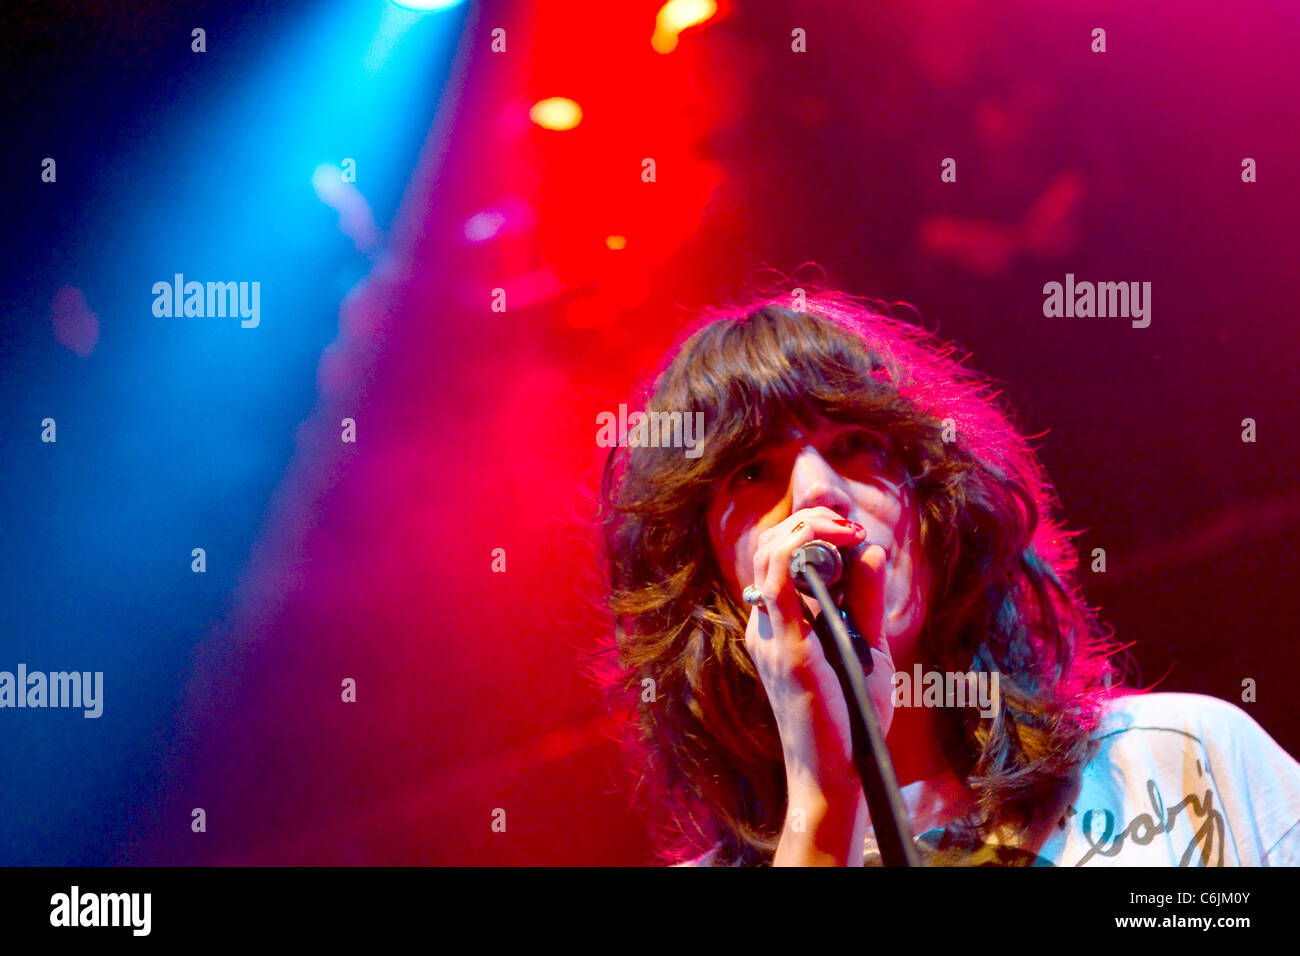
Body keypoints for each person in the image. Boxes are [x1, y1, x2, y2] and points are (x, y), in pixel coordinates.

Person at [596, 290, 1300, 866]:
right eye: (753, 472)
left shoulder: (1185, 758)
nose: (818, 493)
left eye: (854, 444)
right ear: (709, 583)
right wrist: (823, 794)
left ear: (936, 507)